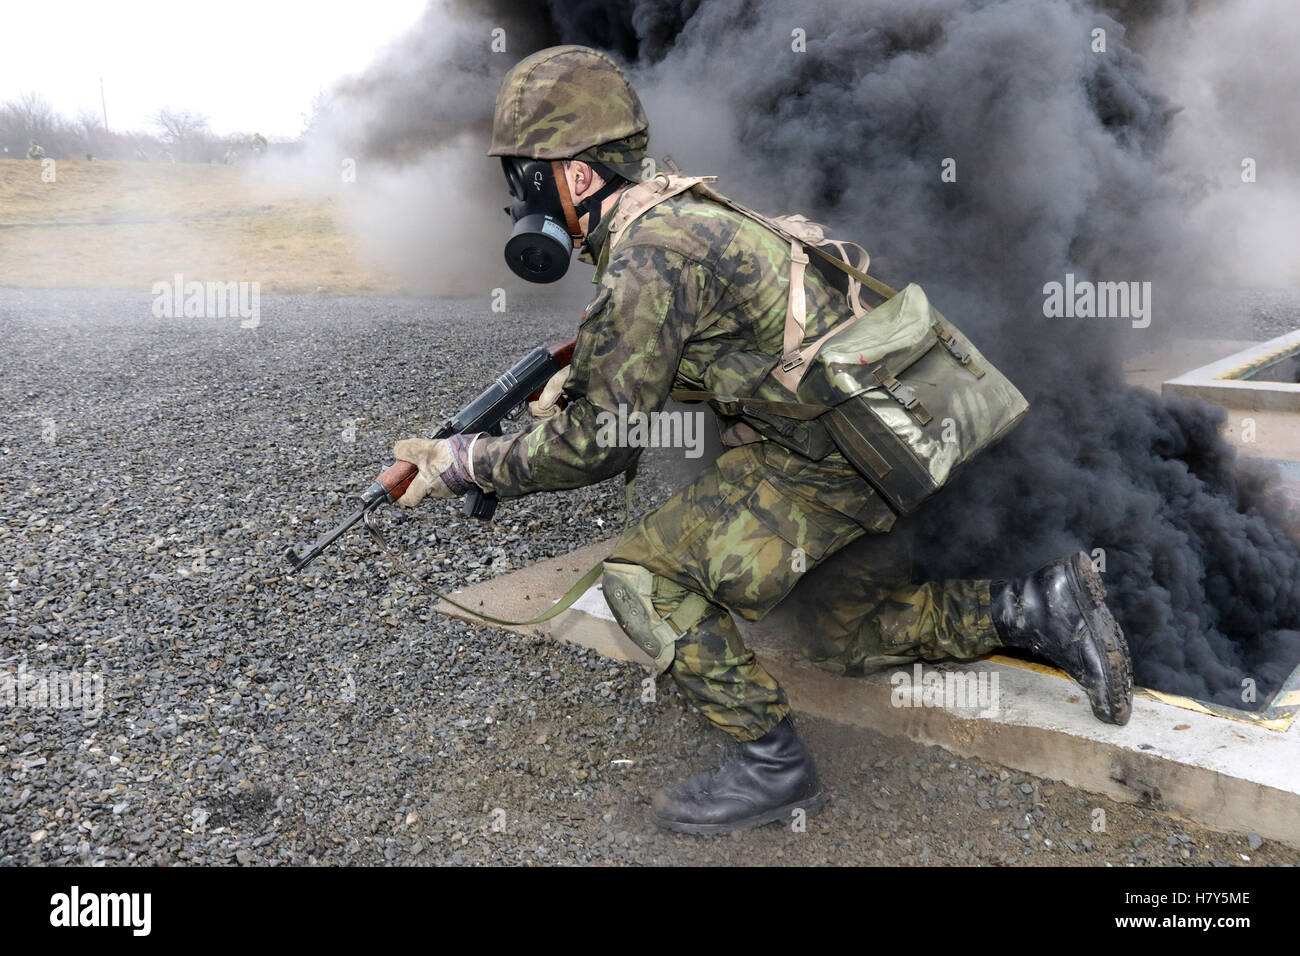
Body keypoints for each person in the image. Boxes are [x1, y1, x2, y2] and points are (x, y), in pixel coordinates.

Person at [392, 45, 1133, 835]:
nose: (518, 200)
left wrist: (470, 463)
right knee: (843, 633)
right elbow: (714, 359)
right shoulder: (686, 215)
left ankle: (773, 769)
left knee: (645, 577)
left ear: (574, 177)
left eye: (526, 176)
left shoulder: (649, 256)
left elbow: (596, 449)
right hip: (894, 445)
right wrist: (586, 387)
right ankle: (1038, 607)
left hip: (833, 463)